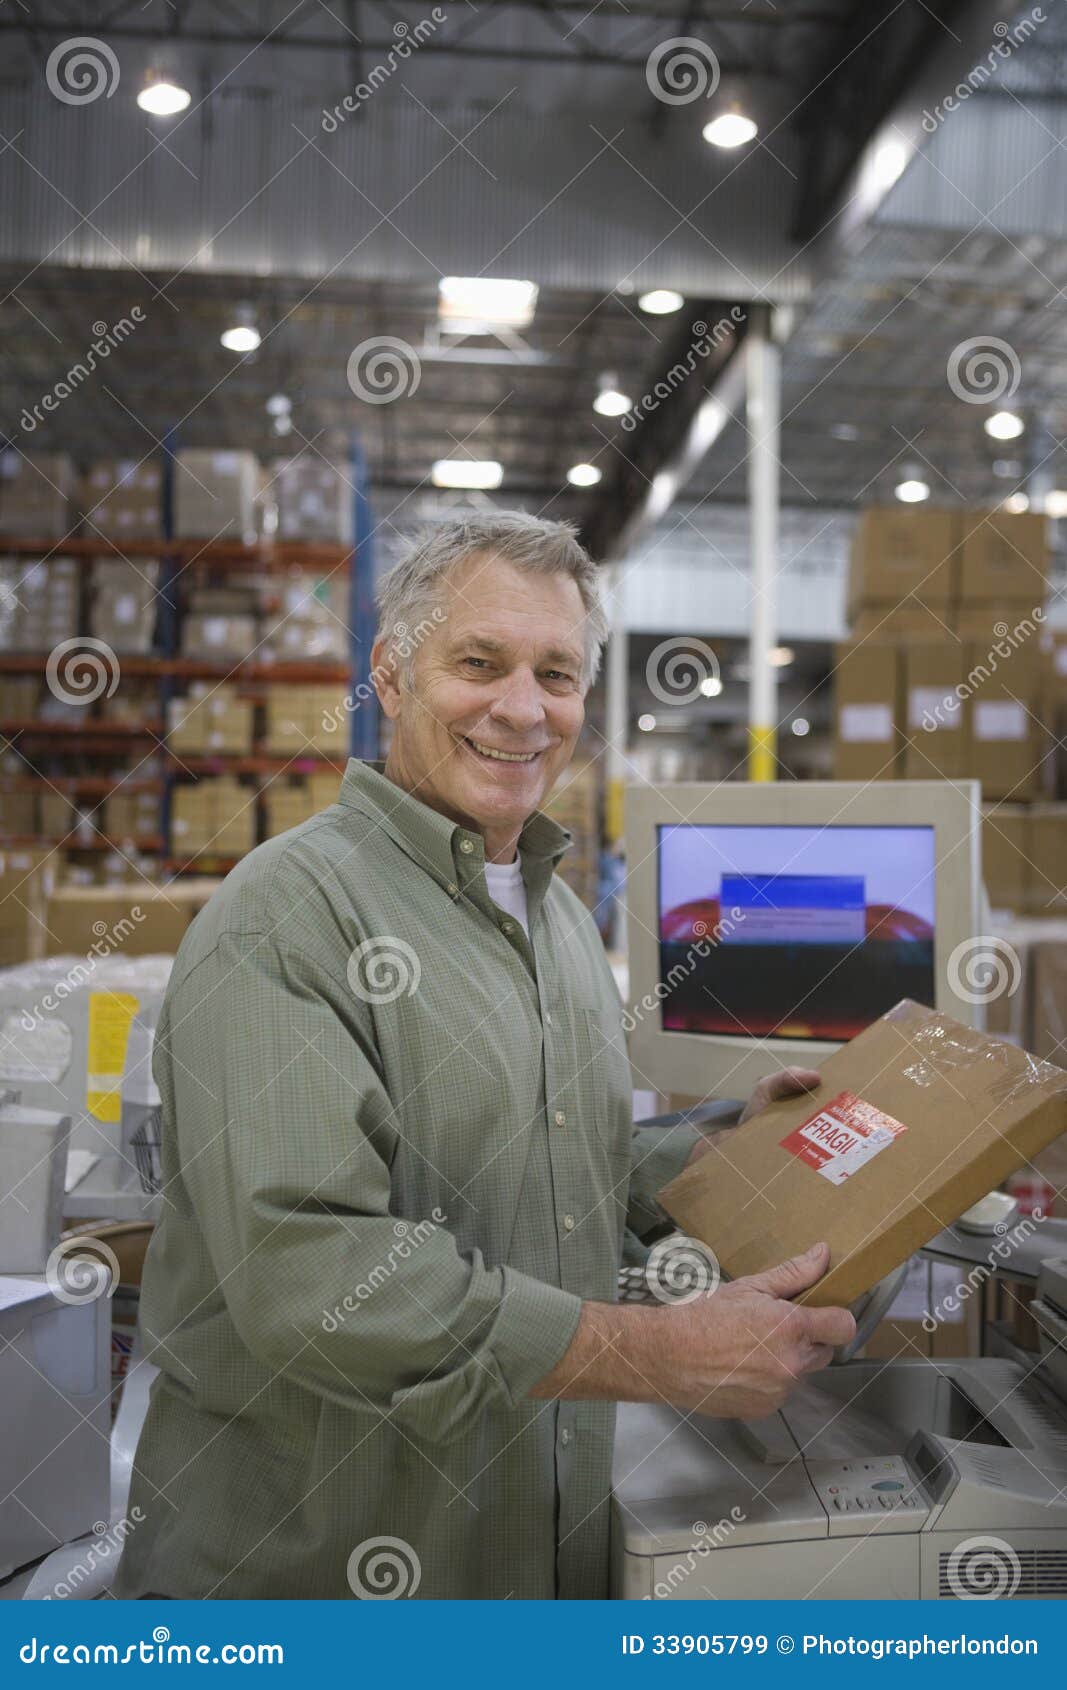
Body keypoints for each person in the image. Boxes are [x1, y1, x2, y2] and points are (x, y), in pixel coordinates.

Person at [114, 513, 853, 1601]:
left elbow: (550, 1174)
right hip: (315, 1594)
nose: (521, 707)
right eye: (479, 662)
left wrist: (721, 1144)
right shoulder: (286, 918)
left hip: (522, 1566)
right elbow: (308, 1276)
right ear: (393, 677)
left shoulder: (550, 921)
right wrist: (658, 1355)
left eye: (555, 674)